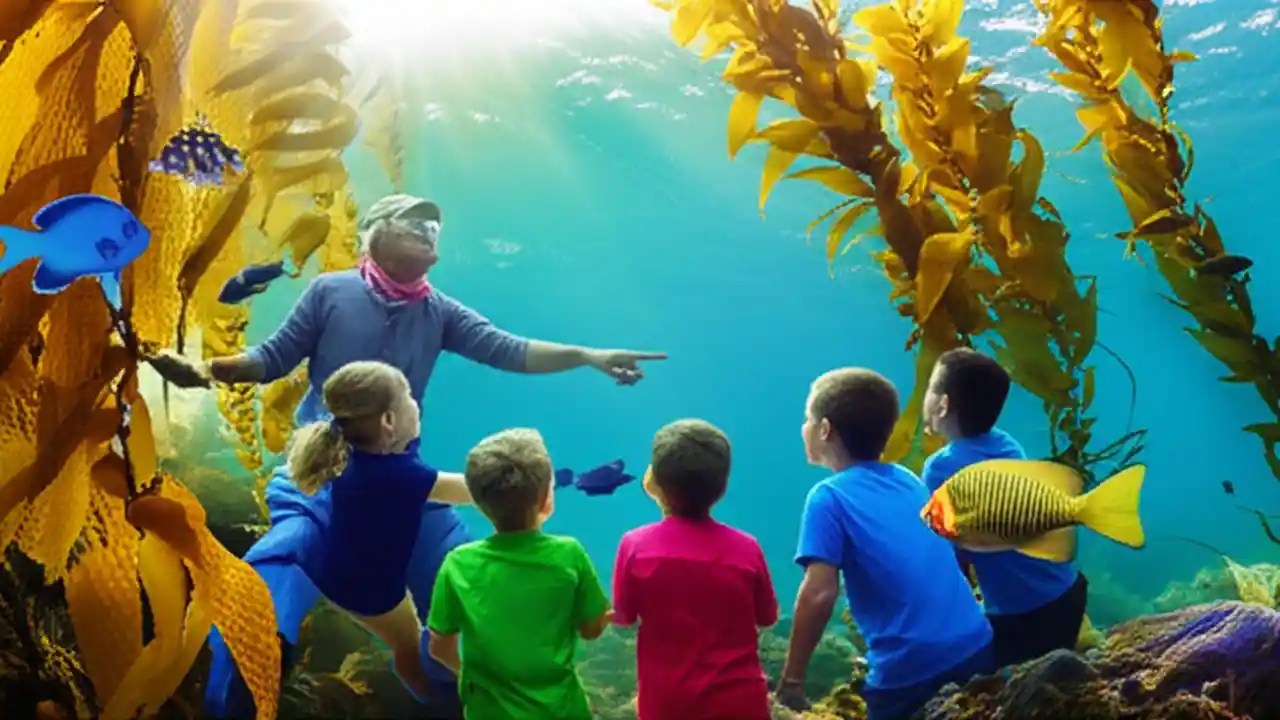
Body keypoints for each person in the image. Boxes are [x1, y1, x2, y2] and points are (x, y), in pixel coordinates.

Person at [148, 194, 665, 718]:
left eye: (434, 226)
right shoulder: (330, 291)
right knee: (273, 574)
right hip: (319, 481)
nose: (428, 230)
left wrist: (587, 356)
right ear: (373, 232)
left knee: (459, 576)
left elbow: (507, 348)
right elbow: (274, 356)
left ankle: (453, 697)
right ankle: (232, 698)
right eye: (413, 222)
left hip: (400, 477)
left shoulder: (438, 311)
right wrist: (206, 371)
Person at [777, 368, 994, 720]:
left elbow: (818, 593)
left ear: (825, 430)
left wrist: (792, 681)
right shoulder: (907, 479)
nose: (804, 427)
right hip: (977, 644)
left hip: (910, 674)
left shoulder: (828, 497)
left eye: (808, 418)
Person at [285, 360, 474, 699]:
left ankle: (428, 690)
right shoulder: (399, 476)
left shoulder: (350, 454)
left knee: (405, 639)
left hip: (337, 573)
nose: (416, 404)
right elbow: (473, 491)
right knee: (410, 644)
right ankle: (430, 697)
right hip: (370, 592)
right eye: (409, 398)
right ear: (389, 421)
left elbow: (406, 457)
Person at [920, 347, 1088, 668]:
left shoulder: (940, 469)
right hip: (1067, 593)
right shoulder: (1007, 443)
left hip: (1021, 615)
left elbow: (950, 550)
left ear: (942, 406)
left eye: (931, 388)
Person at [426, 428, 610, 720]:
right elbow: (592, 628)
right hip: (562, 710)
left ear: (477, 500)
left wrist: (467, 674)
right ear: (546, 499)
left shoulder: (458, 563)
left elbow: (439, 646)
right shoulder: (569, 554)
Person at [611, 419, 778, 720]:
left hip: (667, 703)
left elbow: (623, 617)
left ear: (655, 481)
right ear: (723, 487)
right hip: (740, 703)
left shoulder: (634, 545)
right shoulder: (747, 548)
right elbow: (767, 618)